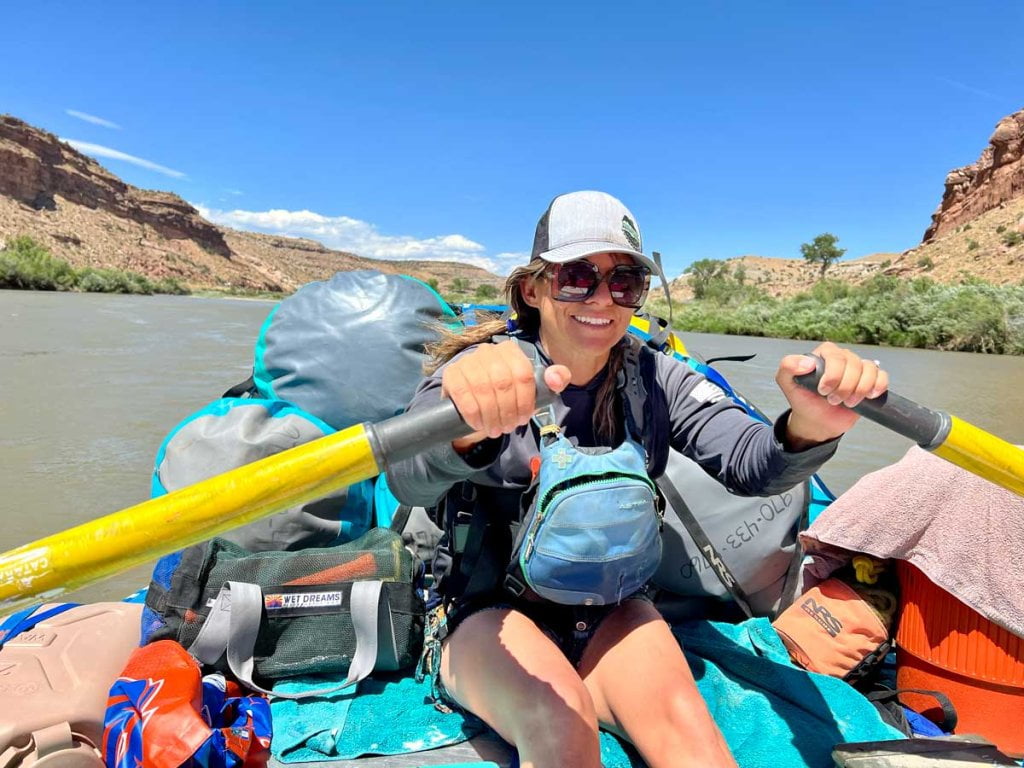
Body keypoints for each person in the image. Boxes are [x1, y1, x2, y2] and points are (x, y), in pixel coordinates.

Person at [388, 190, 888, 768]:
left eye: (624, 281)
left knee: (694, 745)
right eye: (577, 276)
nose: (603, 298)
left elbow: (753, 464)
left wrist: (810, 427)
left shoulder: (659, 377)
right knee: (559, 725)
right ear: (533, 290)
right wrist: (465, 431)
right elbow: (409, 483)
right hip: (488, 611)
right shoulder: (478, 375)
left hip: (615, 605)